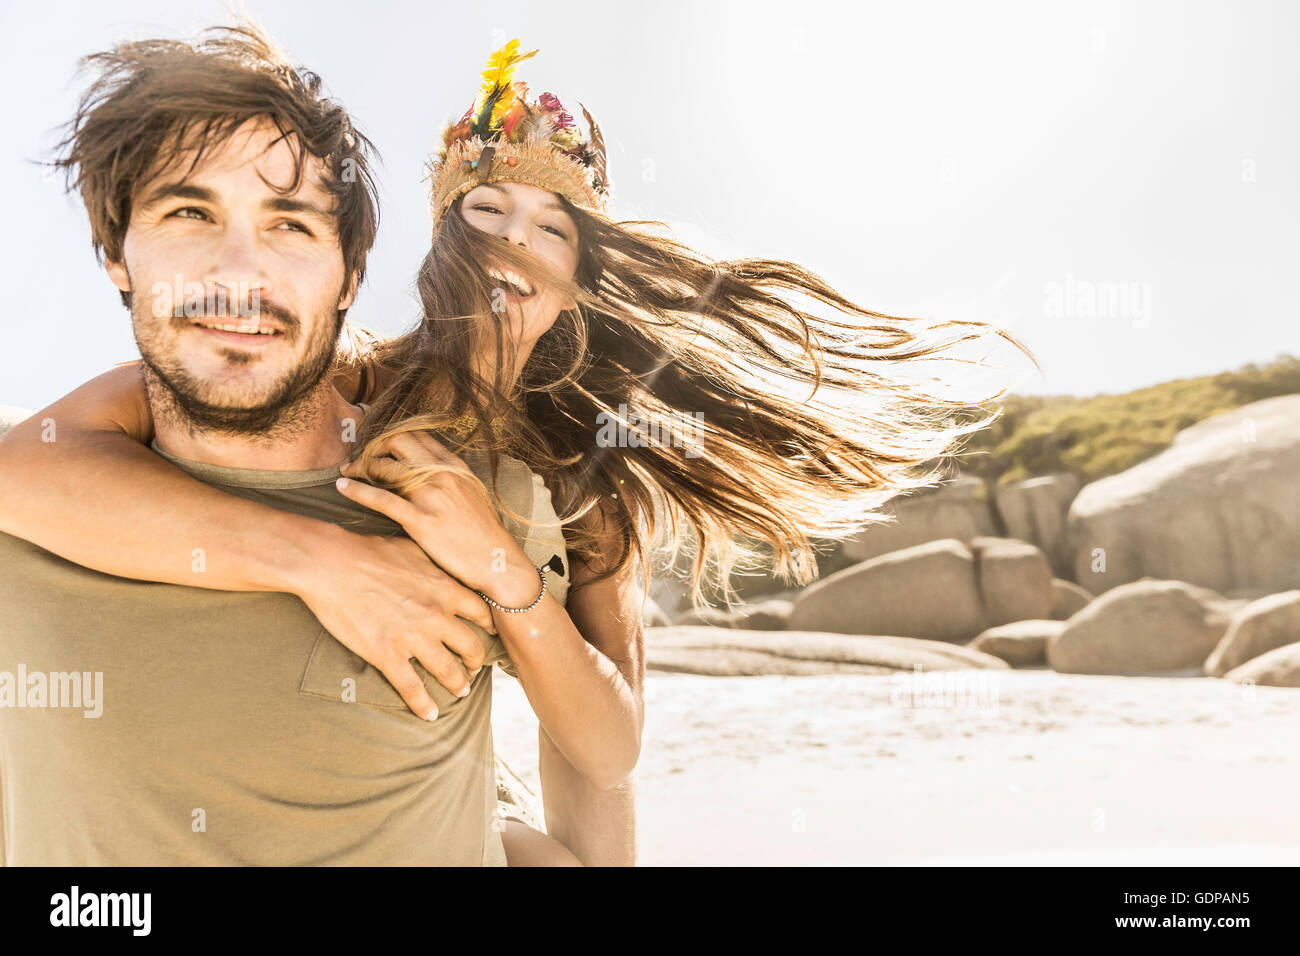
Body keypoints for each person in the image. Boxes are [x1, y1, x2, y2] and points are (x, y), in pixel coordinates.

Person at [0, 33, 1036, 866]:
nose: (510, 247)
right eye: (485, 213)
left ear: (583, 270)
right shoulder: (342, 370)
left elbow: (603, 754)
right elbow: (38, 458)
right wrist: (323, 556)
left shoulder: (582, 471)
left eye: (550, 228)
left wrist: (498, 564)